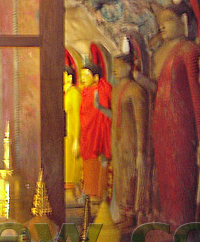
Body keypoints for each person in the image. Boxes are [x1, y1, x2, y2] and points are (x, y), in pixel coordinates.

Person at [136, 8, 200, 227]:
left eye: (168, 20)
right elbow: (160, 89)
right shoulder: (163, 54)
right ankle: (171, 224)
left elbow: (197, 94)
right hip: (163, 126)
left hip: (182, 126)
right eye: (160, 21)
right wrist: (142, 80)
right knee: (166, 178)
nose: (162, 26)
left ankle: (183, 227)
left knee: (180, 177)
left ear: (184, 20)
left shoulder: (190, 50)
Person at [110, 55, 148, 225]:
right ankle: (123, 212)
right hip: (118, 139)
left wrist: (140, 150)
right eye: (114, 66)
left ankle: (131, 214)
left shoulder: (135, 90)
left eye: (119, 66)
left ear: (129, 67)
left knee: (130, 176)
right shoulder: (115, 89)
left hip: (130, 140)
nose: (115, 69)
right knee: (119, 176)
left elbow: (141, 122)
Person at [78, 61, 111, 201]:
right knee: (88, 165)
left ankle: (98, 193)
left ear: (96, 78)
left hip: (97, 135)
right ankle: (89, 191)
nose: (82, 78)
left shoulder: (100, 91)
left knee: (96, 164)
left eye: (86, 75)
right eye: (81, 75)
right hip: (87, 134)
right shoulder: (85, 92)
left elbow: (105, 115)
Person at [63, 65, 82, 203]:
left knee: (71, 168)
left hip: (72, 136)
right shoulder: (67, 93)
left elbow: (77, 117)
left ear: (69, 77)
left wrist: (77, 140)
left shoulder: (74, 93)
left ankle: (72, 195)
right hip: (66, 135)